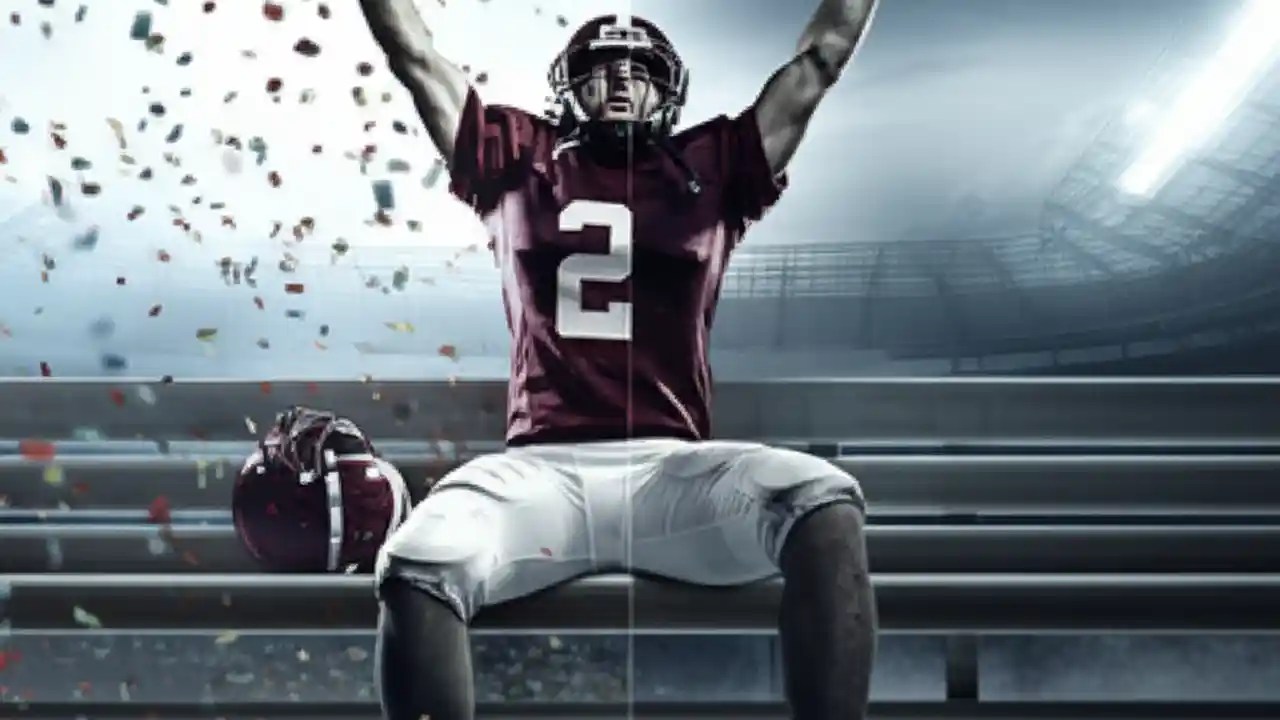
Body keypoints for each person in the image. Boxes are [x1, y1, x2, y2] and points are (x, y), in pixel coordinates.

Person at [357, 2, 880, 719]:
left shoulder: (713, 165)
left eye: (641, 70)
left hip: (672, 470)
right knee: (414, 565)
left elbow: (823, 56)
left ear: (670, 92)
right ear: (570, 88)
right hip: (538, 469)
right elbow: (411, 53)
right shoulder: (515, 155)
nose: (623, 81)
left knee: (826, 506)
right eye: (603, 69)